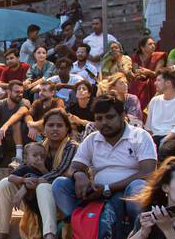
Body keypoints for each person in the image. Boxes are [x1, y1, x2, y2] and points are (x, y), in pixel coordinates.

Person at [51, 96, 157, 230]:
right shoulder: (92, 139)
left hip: (127, 192)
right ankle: (83, 230)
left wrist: (108, 188)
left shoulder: (139, 136)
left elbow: (148, 173)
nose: (104, 122)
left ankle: (139, 234)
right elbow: (73, 168)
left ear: (122, 115)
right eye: (99, 118)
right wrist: (79, 175)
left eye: (110, 117)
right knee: (60, 184)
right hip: (97, 192)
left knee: (138, 187)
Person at [144, 70, 175, 161]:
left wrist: (164, 140)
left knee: (165, 150)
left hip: (174, 138)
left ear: (168, 83)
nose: (155, 83)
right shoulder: (154, 101)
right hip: (156, 137)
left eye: (158, 80)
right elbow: (148, 127)